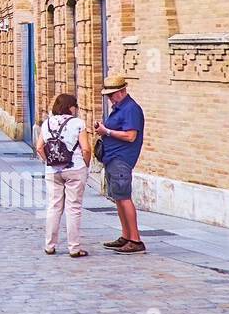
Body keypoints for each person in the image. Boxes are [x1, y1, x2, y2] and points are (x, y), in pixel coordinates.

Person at [95, 75, 146, 254]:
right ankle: (126, 236)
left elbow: (131, 136)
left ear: (122, 91)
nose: (109, 98)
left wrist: (106, 131)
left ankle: (135, 240)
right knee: (118, 198)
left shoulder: (131, 109)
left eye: (112, 95)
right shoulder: (118, 108)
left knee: (124, 198)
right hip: (112, 158)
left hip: (122, 159)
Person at [36, 93, 91, 257]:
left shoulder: (46, 123)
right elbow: (86, 149)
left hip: (53, 171)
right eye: (75, 106)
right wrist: (86, 165)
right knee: (73, 208)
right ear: (70, 107)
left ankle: (49, 245)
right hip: (75, 168)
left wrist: (49, 162)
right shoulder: (78, 123)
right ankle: (74, 248)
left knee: (54, 207)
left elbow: (39, 147)